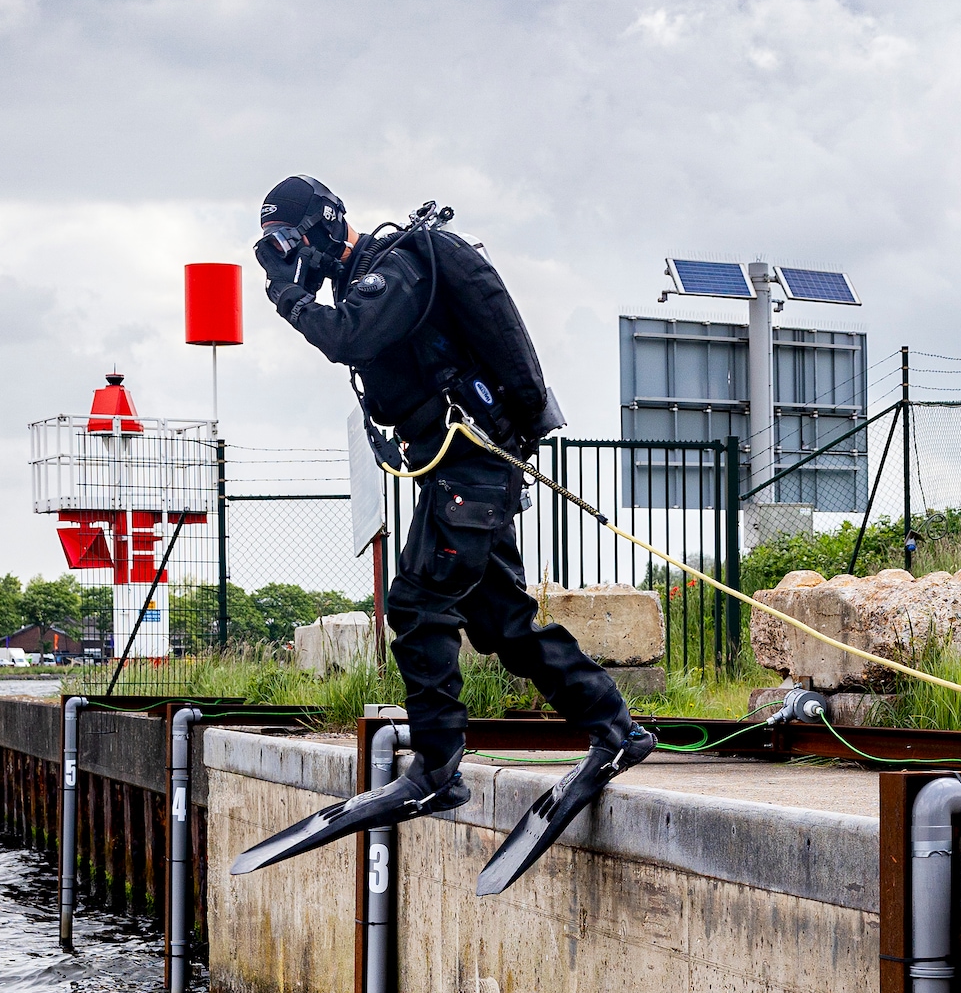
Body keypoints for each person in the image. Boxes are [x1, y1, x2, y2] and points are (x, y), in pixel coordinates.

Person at [228, 176, 654, 895]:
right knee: (502, 623)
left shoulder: (399, 266)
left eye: (292, 241)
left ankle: (435, 770)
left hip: (471, 467)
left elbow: (347, 338)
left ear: (327, 227)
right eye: (275, 247)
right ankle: (617, 727)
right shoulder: (364, 278)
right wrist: (301, 284)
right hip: (458, 470)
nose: (287, 257)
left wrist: (284, 295)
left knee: (419, 605)